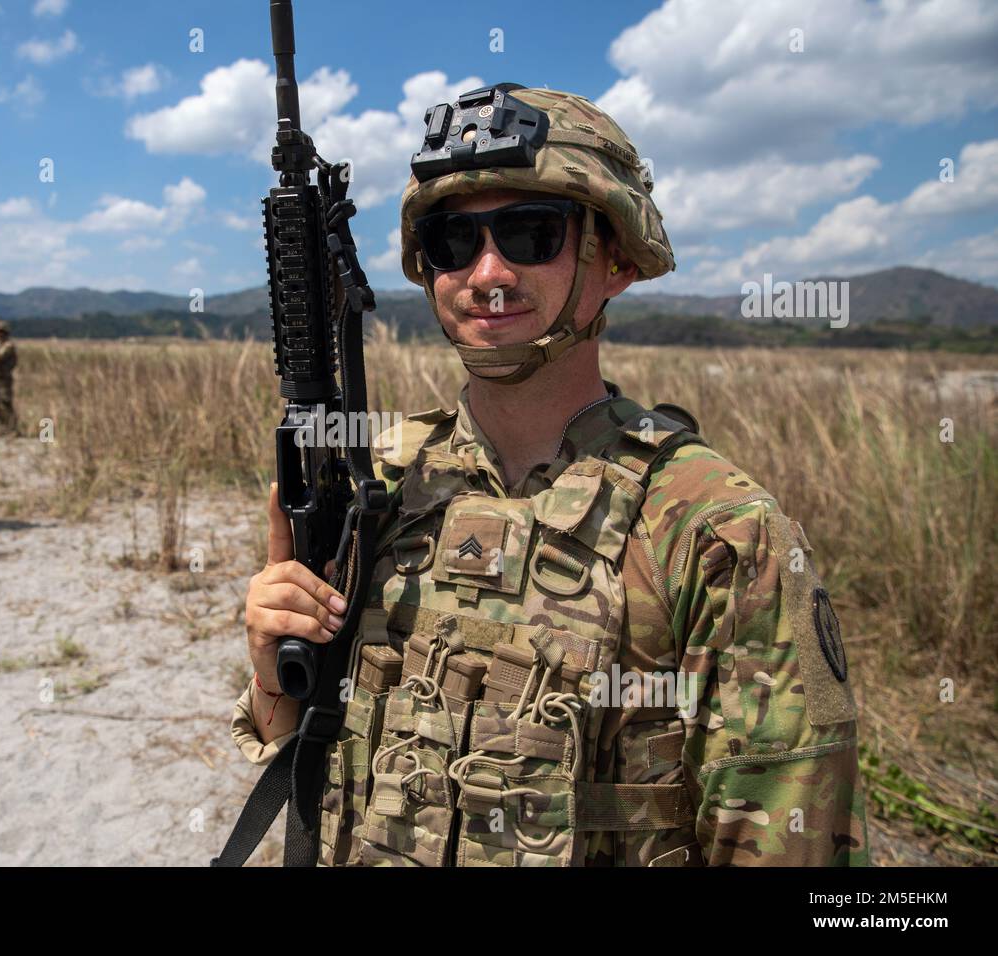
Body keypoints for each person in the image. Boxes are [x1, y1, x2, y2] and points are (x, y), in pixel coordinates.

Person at [230, 85, 868, 866]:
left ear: (618, 259)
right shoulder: (378, 485)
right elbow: (304, 764)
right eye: (451, 241)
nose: (487, 272)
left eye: (533, 233)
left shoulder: (720, 533)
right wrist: (274, 671)